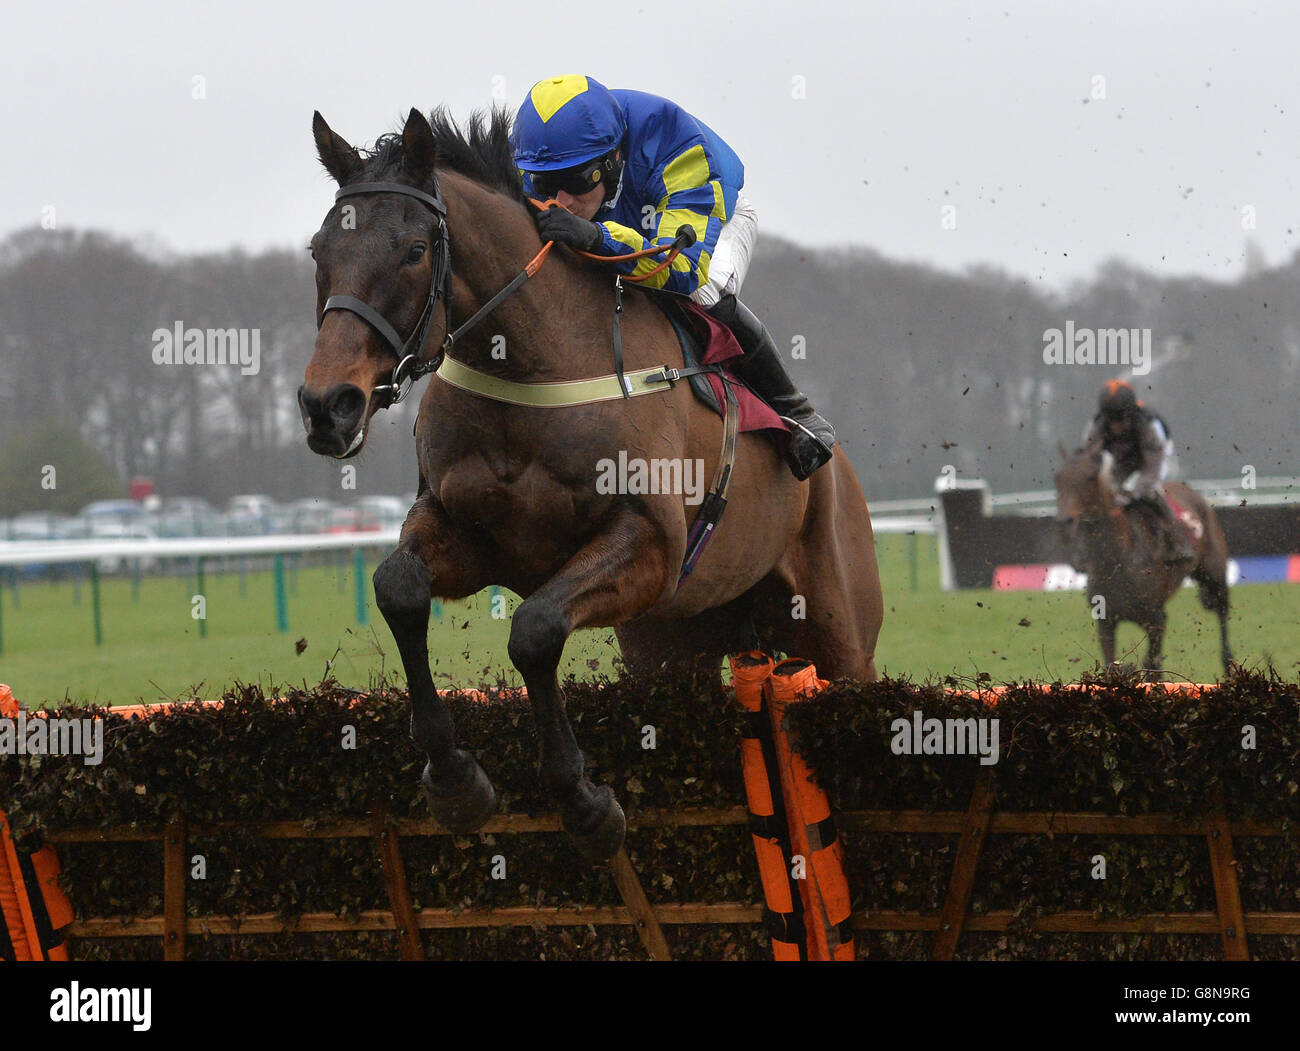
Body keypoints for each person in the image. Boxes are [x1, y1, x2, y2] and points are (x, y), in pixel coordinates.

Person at [511, 74, 835, 479]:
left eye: (577, 181)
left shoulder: (676, 143)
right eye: (546, 184)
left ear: (612, 161)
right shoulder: (533, 154)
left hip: (706, 226)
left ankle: (796, 410)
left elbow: (681, 269)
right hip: (625, 223)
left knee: (702, 292)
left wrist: (597, 237)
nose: (561, 201)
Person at [1082, 379, 1195, 564]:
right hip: (1124, 458)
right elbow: (1089, 459)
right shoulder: (1096, 425)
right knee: (1111, 492)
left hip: (1156, 453)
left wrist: (1134, 493)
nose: (1115, 426)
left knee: (1149, 492)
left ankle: (1178, 541)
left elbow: (1152, 466)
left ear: (1130, 413)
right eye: (1111, 420)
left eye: (1120, 419)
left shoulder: (1147, 424)